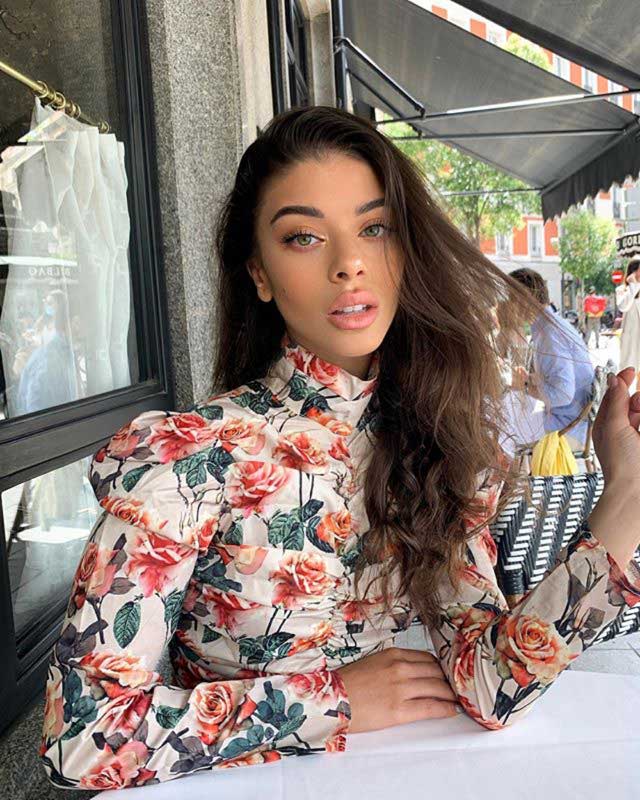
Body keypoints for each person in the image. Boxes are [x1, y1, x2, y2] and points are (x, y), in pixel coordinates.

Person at [40, 106, 640, 791]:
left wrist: (627, 497)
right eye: (303, 237)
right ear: (259, 274)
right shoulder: (187, 457)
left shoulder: (433, 442)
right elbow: (79, 740)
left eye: (374, 228)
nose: (350, 263)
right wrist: (333, 700)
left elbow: (488, 684)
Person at [507, 269, 595, 454]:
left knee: (501, 430)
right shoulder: (550, 324)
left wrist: (525, 386)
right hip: (572, 421)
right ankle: (523, 472)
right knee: (507, 422)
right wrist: (531, 379)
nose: (508, 304)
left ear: (524, 298)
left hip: (567, 429)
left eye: (511, 298)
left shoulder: (549, 333)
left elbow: (562, 394)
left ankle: (522, 473)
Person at [616, 256, 640, 392]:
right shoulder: (622, 290)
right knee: (627, 373)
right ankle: (622, 401)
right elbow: (623, 306)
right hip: (630, 339)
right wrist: (633, 286)